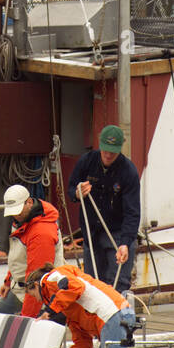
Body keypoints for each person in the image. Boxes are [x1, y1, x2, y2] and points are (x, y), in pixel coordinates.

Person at [33, 264, 136, 348]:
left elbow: (75, 287)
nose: (38, 301)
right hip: (118, 315)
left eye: (34, 295)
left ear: (35, 285)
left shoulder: (52, 278)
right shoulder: (71, 310)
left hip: (112, 315)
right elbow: (83, 345)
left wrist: (50, 310)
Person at [67, 125, 140, 293]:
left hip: (117, 234)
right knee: (91, 285)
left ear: (120, 148)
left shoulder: (128, 172)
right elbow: (71, 189)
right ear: (100, 145)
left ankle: (116, 316)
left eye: (112, 152)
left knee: (118, 284)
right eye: (105, 150)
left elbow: (132, 213)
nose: (108, 155)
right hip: (92, 233)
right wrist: (77, 194)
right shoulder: (86, 162)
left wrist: (126, 243)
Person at [0, 183, 63, 318]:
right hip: (21, 287)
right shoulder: (20, 220)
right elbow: (18, 255)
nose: (15, 215)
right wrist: (8, 281)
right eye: (13, 212)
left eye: (18, 211)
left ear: (29, 203)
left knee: (2, 312)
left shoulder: (41, 233)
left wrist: (27, 317)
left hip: (39, 292)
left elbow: (37, 279)